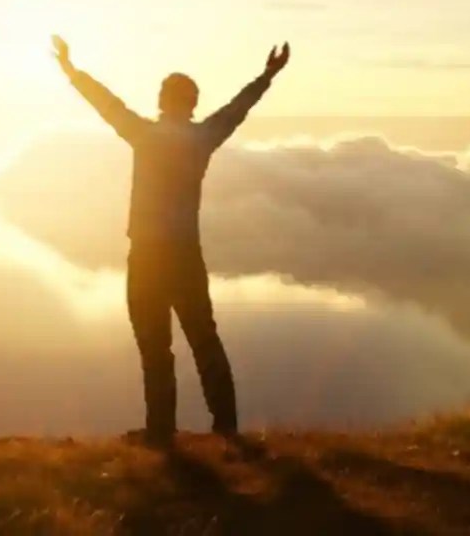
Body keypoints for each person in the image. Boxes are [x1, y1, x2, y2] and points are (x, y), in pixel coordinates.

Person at [51, 35, 291, 447]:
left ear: (162, 100)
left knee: (154, 346)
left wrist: (71, 70)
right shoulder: (203, 138)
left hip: (146, 255)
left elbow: (106, 103)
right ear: (192, 103)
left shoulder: (142, 134)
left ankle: (161, 431)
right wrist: (267, 75)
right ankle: (226, 428)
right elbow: (237, 109)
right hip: (185, 255)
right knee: (204, 339)